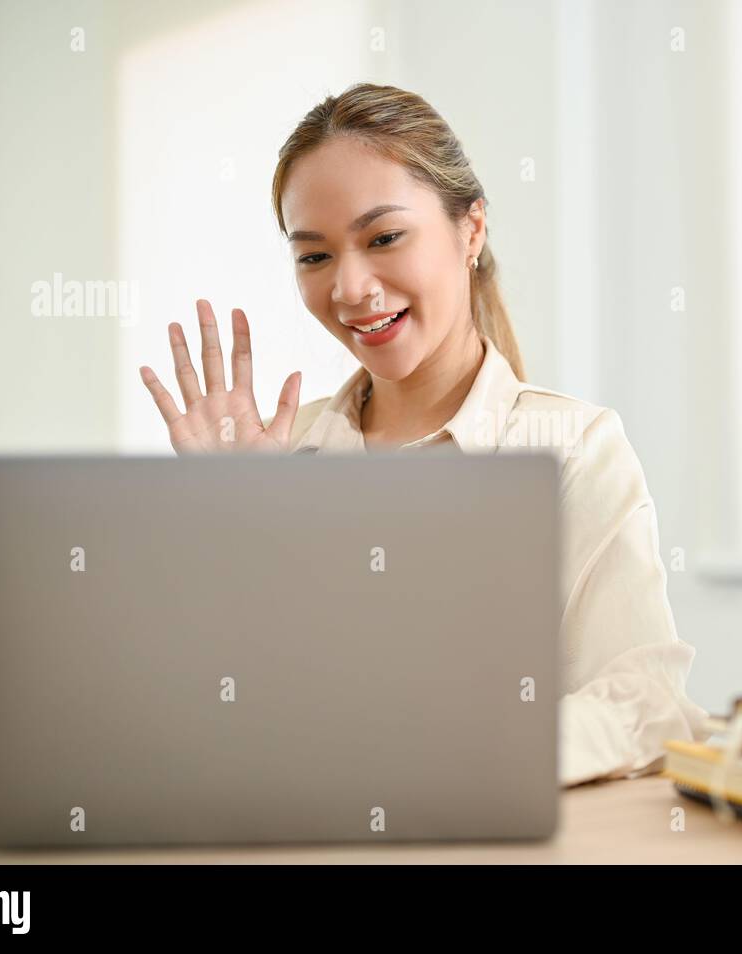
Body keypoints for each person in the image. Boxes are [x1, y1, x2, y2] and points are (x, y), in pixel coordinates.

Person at [139, 82, 712, 787]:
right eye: (314, 256)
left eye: (383, 238)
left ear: (470, 231)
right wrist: (233, 523)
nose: (350, 288)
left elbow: (649, 702)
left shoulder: (573, 448)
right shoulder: (286, 452)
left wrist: (464, 754)